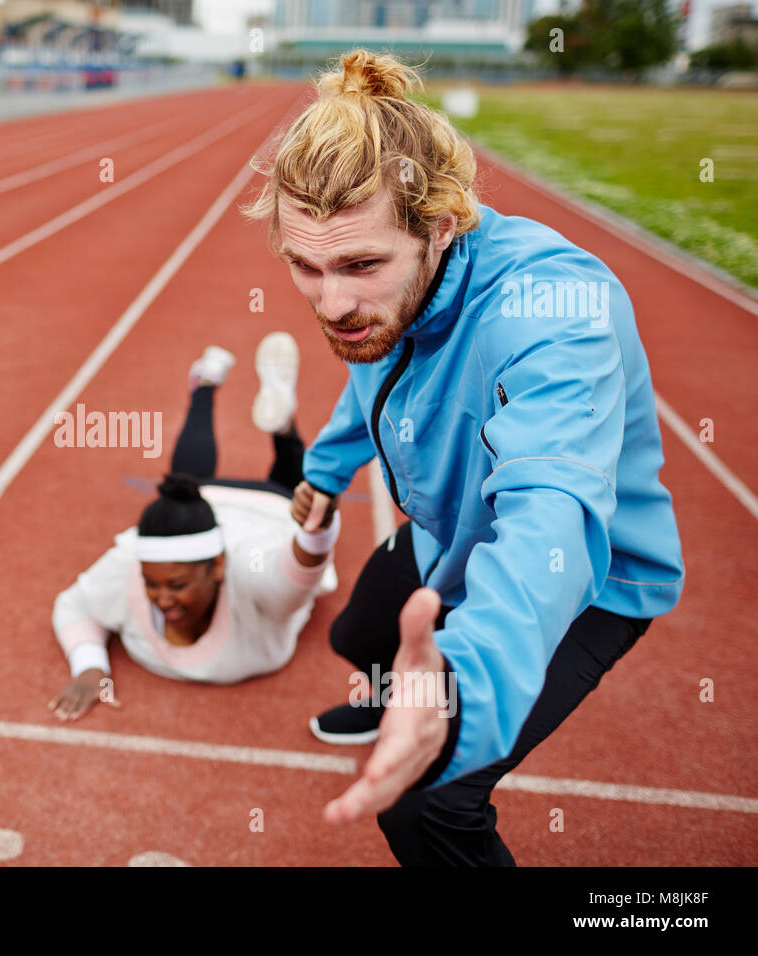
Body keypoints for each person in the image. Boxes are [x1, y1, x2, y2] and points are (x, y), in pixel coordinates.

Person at [242, 49, 685, 865]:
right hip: (452, 527)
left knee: (425, 811)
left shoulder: (553, 309)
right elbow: (373, 357)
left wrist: (459, 698)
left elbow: (551, 506)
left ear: (443, 225)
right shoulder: (384, 298)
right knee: (357, 638)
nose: (332, 301)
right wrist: (326, 472)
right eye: (304, 266)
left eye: (361, 265)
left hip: (588, 573)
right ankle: (392, 695)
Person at [48, 333, 341, 720]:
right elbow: (73, 605)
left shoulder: (252, 571)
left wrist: (316, 526)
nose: (162, 598)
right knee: (186, 482)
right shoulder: (133, 559)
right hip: (203, 499)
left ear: (218, 567)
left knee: (289, 493)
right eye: (152, 583)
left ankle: (228, 394)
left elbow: (297, 576)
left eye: (178, 585)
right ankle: (269, 416)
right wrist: (90, 668)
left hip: (270, 508)